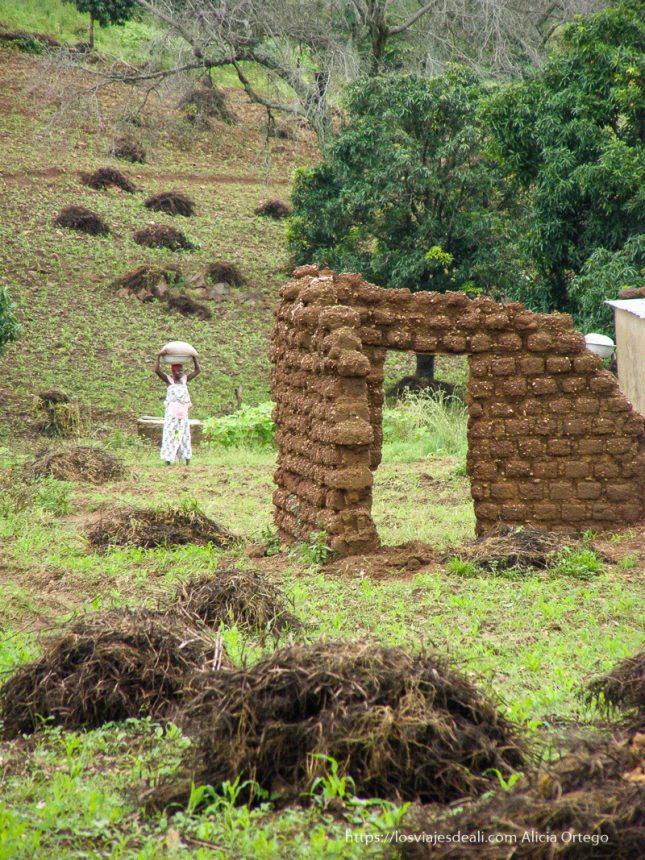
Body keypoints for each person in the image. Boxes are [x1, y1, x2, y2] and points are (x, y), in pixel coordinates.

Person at [154, 348, 201, 465]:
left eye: (181, 370)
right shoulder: (169, 381)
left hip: (183, 413)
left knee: (185, 435)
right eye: (178, 371)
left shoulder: (184, 380)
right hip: (171, 414)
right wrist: (159, 356)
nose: (180, 372)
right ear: (173, 371)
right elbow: (157, 370)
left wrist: (194, 357)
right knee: (170, 435)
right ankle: (168, 459)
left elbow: (197, 370)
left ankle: (187, 459)